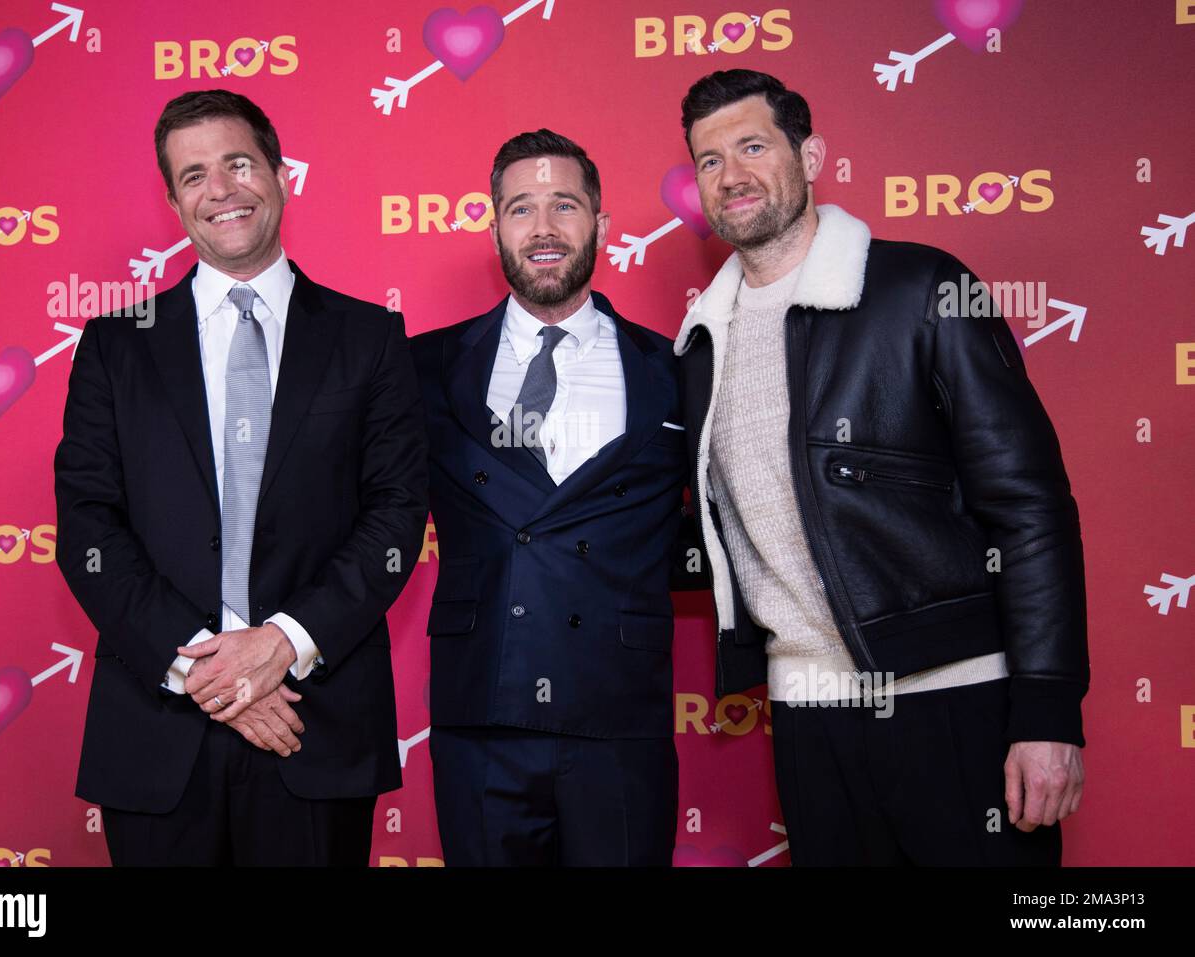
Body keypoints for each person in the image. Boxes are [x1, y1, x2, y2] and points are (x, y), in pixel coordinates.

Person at [674, 70, 1089, 865]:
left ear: (811, 154)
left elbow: (1029, 504)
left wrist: (1047, 708)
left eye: (753, 146)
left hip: (955, 696)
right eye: (709, 160)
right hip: (809, 715)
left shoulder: (920, 287)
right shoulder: (702, 343)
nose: (732, 174)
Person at [53, 89, 428, 866]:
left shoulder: (371, 339)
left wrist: (282, 645)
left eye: (237, 164)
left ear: (281, 174)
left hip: (312, 722)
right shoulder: (116, 347)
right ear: (173, 200)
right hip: (159, 732)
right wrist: (206, 667)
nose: (220, 190)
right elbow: (89, 526)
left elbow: (395, 516)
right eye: (194, 176)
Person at [409, 130, 692, 865]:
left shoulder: (674, 369)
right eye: (521, 209)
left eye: (564, 206)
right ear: (494, 225)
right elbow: (361, 509)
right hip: (483, 713)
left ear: (600, 224)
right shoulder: (423, 365)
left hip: (621, 711)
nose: (542, 229)